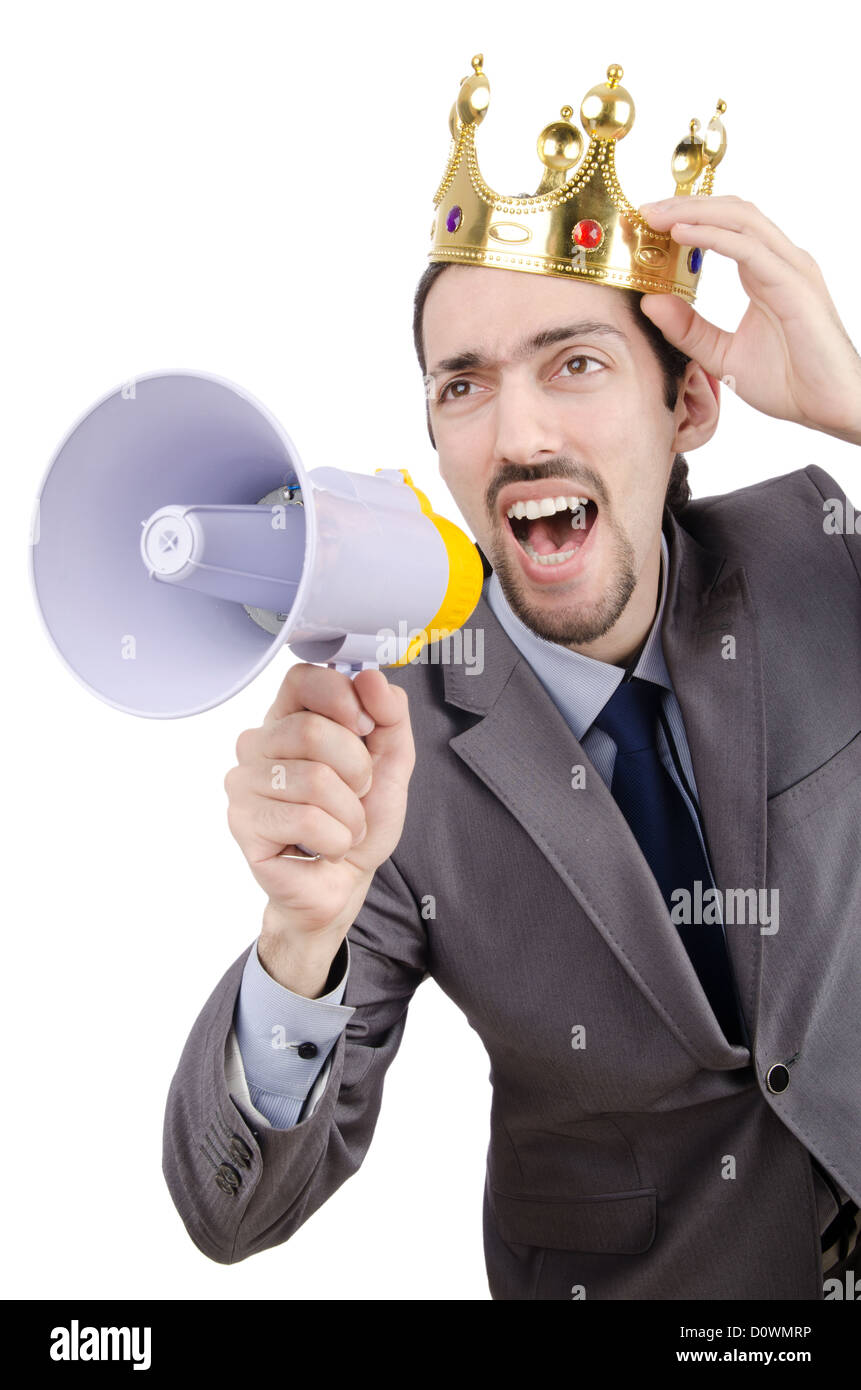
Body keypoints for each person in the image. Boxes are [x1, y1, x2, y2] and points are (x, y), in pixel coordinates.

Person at [162, 61, 861, 1299]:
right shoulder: (395, 748)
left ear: (689, 399)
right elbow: (232, 1210)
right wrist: (298, 935)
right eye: (464, 383)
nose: (521, 433)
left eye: (576, 363)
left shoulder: (814, 550)